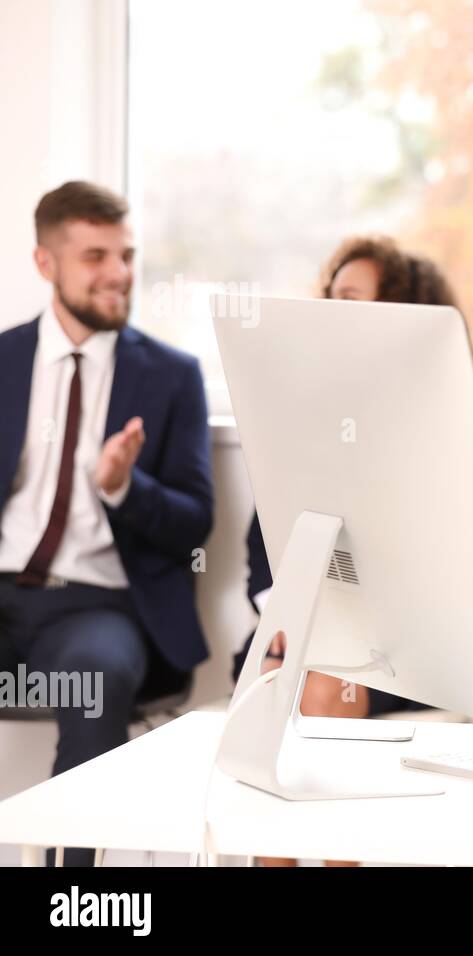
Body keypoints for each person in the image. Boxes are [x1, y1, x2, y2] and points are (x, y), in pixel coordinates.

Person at [0, 182, 213, 862]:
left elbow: (194, 523)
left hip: (95, 608)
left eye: (126, 255)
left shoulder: (172, 376)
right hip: (4, 592)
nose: (119, 273)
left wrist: (124, 487)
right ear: (45, 263)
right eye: (95, 256)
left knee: (94, 683)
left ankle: (72, 896)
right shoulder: (3, 361)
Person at [230, 235, 459, 865]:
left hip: (403, 654)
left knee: (323, 687)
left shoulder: (442, 419)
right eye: (330, 296)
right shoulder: (304, 411)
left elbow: (446, 569)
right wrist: (288, 623)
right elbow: (262, 546)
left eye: (351, 299)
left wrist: (341, 635)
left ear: (394, 312)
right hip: (294, 642)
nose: (332, 311)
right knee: (280, 683)